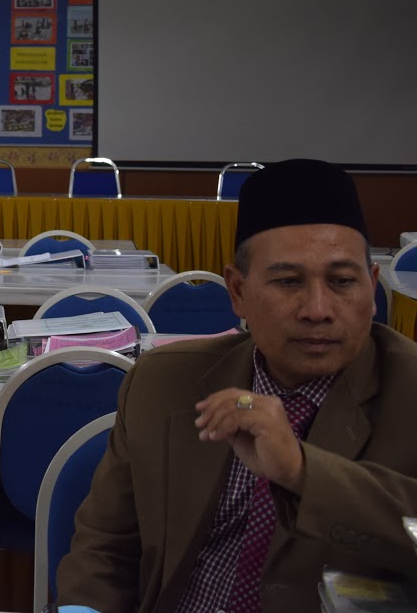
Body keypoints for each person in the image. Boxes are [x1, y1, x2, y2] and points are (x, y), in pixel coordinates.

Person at [58, 159, 417, 613]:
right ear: (237, 291)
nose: (318, 309)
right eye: (288, 282)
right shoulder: (164, 382)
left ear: (373, 286)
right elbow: (106, 546)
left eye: (342, 281)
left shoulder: (408, 391)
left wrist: (301, 471)